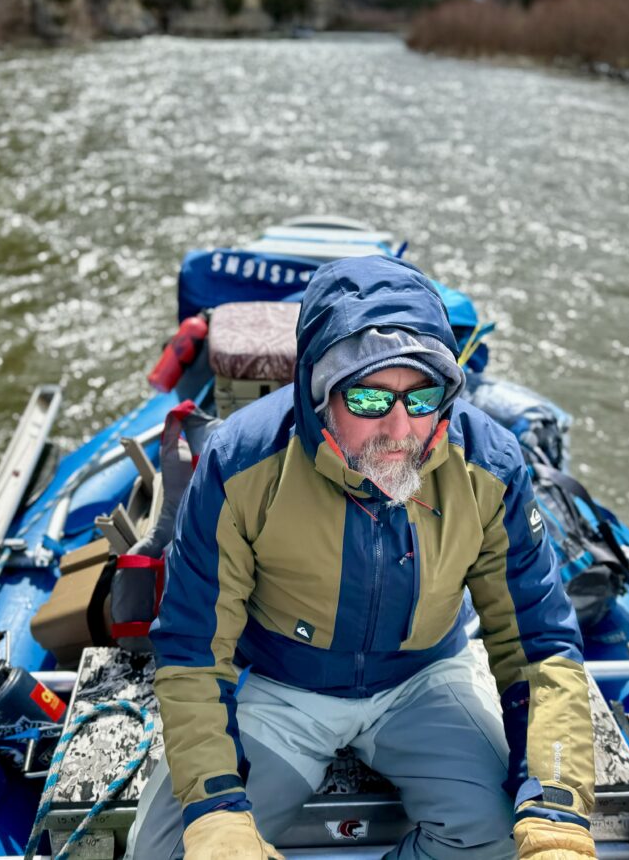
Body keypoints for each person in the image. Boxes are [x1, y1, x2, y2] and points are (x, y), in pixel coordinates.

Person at [128, 255, 596, 860]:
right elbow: (194, 648)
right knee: (165, 853)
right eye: (371, 399)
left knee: (504, 837)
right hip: (278, 684)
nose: (399, 426)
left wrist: (557, 800)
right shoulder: (239, 464)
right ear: (321, 395)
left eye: (422, 395)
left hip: (422, 680)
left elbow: (539, 643)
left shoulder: (492, 467)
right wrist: (216, 808)